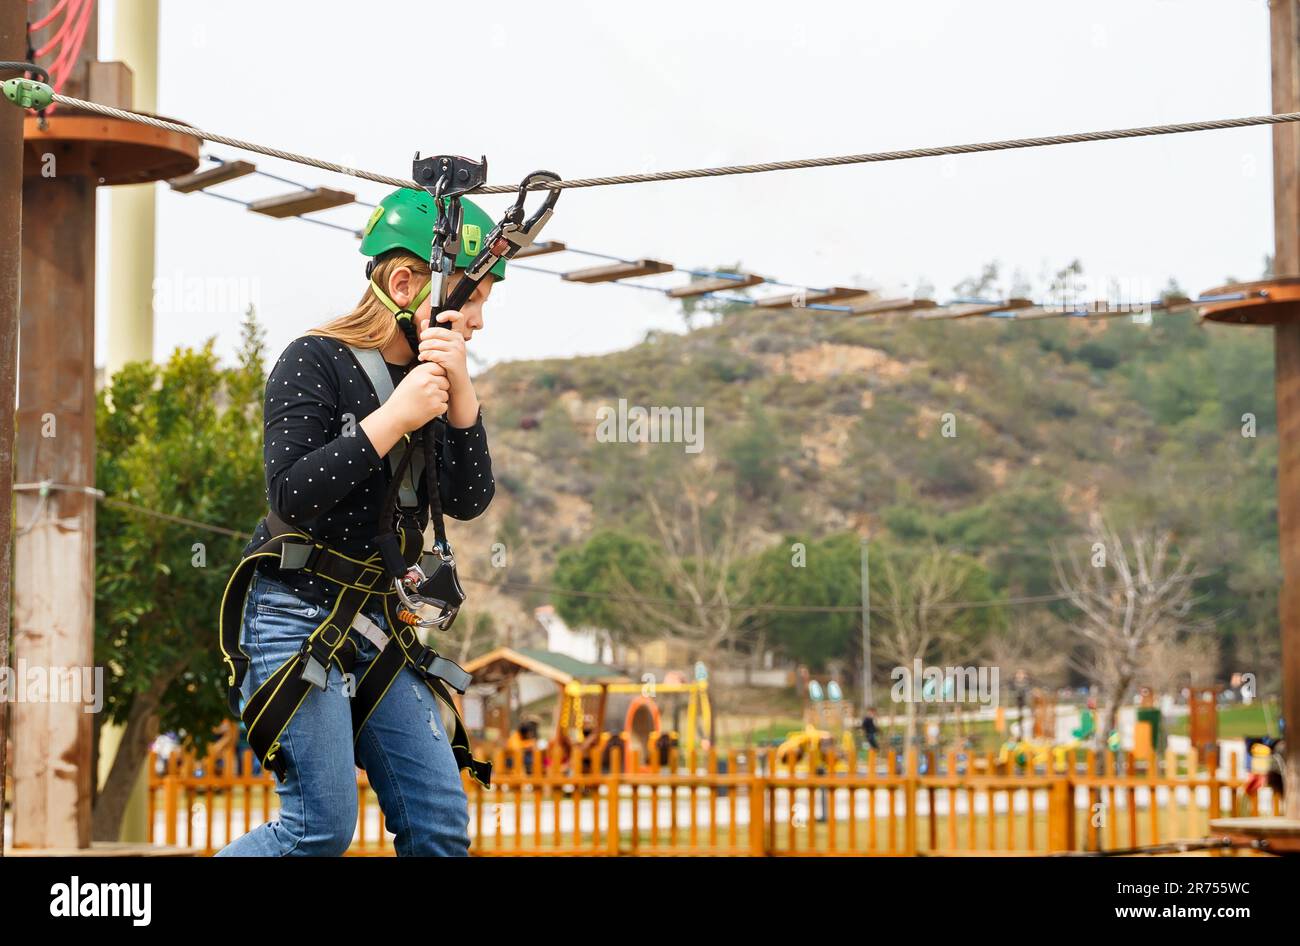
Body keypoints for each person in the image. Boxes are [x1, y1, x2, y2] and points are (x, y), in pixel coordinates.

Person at [217, 188, 502, 857]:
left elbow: (466, 500)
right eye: (475, 301)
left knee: (438, 827)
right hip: (292, 611)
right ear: (404, 283)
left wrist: (460, 398)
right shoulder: (313, 359)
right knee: (317, 830)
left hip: (374, 621)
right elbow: (291, 492)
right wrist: (392, 421)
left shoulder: (432, 386)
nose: (481, 322)